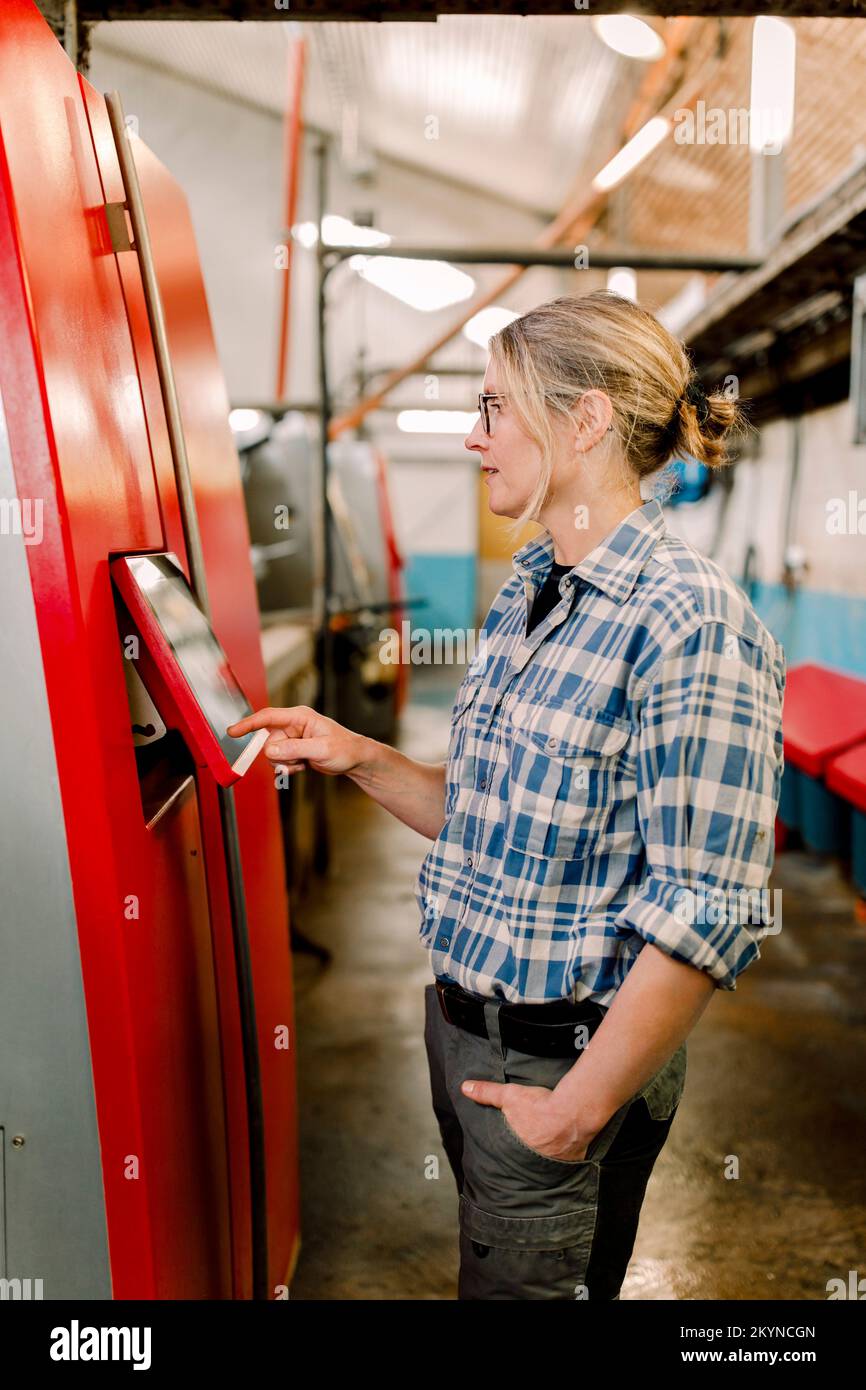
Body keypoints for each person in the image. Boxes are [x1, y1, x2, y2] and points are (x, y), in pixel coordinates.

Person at [228, 290, 786, 1301]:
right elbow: (492, 821)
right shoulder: (532, 586)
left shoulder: (689, 621)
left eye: (493, 407)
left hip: (559, 1072)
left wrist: (571, 1114)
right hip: (465, 1040)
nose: (471, 435)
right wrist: (352, 751)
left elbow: (704, 912)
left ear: (584, 421)